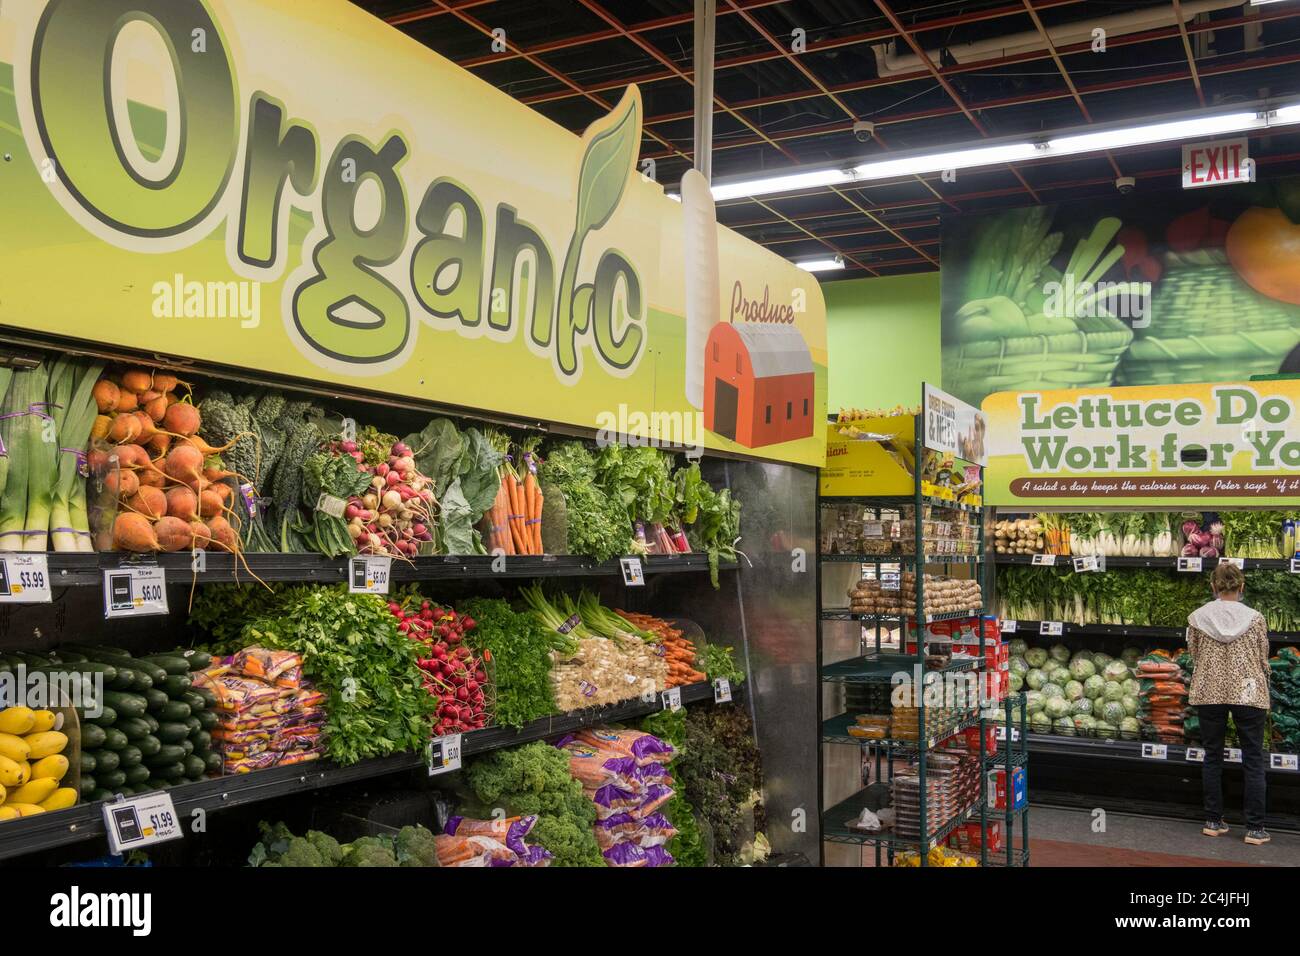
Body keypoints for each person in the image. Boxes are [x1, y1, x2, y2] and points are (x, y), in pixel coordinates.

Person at [1187, 562, 1271, 845]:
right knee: (1253, 758)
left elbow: (1194, 655)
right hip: (1248, 691)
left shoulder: (1197, 618)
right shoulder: (1255, 618)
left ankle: (1213, 821)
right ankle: (1255, 829)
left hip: (1209, 690)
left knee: (1212, 755)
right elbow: (1263, 656)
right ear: (1242, 587)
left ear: (1213, 586)